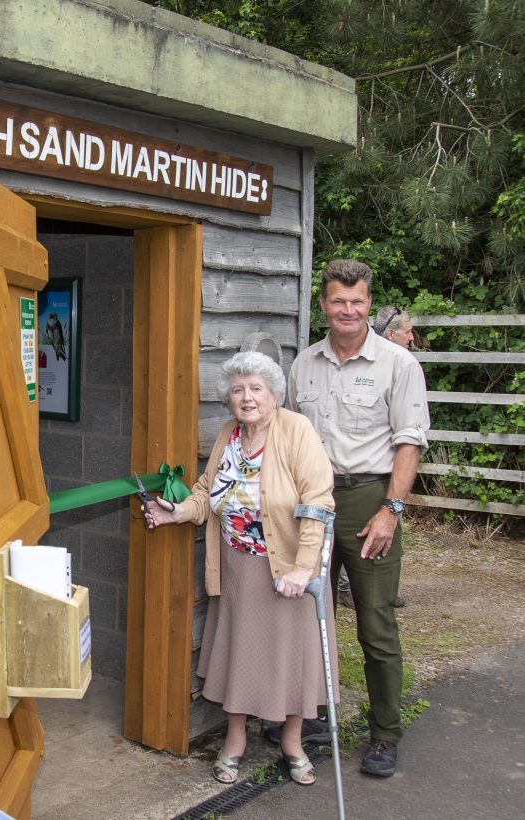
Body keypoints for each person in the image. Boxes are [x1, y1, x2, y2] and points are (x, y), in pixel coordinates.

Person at [143, 351, 336, 787]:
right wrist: (178, 512)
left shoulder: (296, 431)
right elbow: (209, 488)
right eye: (237, 389)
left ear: (273, 395)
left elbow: (318, 504)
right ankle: (235, 742)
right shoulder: (230, 433)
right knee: (239, 654)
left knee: (291, 657)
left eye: (255, 389)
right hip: (236, 564)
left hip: (287, 567)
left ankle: (292, 742)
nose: (246, 398)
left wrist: (303, 570)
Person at [287, 259, 430, 778]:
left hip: (370, 501)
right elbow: (288, 441)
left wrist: (391, 511)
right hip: (311, 504)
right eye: (338, 301)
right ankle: (314, 717)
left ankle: (384, 734)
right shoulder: (303, 365)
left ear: (370, 304)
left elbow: (409, 443)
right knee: (308, 618)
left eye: (358, 301)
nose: (348, 310)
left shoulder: (397, 364)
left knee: (375, 624)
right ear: (323, 305)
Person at [336, 304, 416, 609]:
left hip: (385, 474)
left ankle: (382, 587)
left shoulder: (403, 364)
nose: (412, 337)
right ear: (392, 333)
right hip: (353, 479)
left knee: (385, 525)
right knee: (355, 531)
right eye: (407, 331)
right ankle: (349, 587)